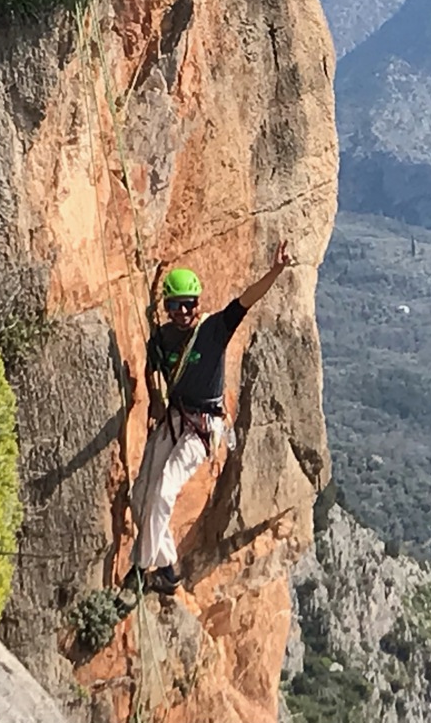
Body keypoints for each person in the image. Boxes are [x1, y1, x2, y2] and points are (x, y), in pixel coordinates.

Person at [124, 240, 292, 595]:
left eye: (188, 304)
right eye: (175, 305)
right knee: (140, 496)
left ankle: (140, 570)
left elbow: (247, 299)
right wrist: (155, 400)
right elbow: (153, 368)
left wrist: (275, 271)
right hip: (175, 418)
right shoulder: (163, 338)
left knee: (164, 491)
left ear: (197, 303)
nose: (183, 311)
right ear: (168, 307)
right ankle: (168, 569)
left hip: (202, 426)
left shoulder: (214, 329)